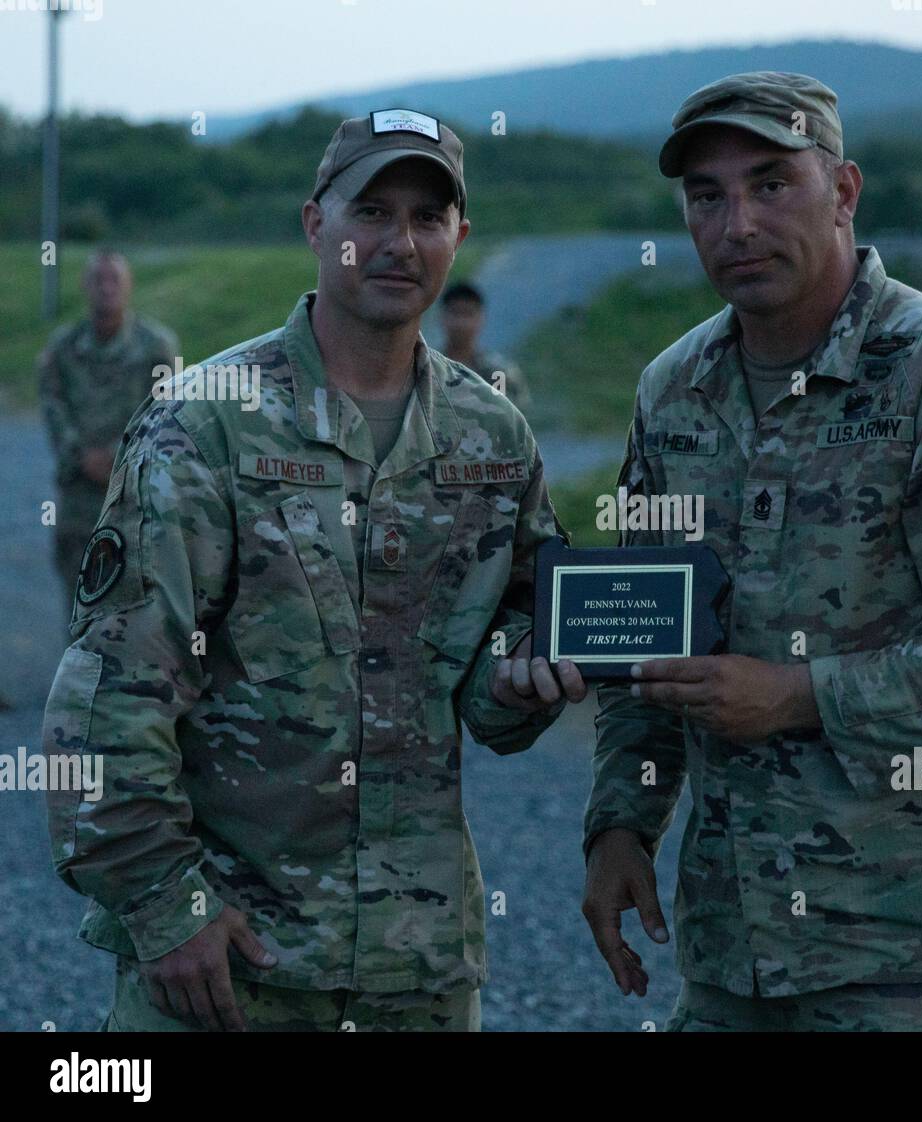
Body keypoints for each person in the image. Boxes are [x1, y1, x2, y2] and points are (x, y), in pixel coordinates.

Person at [41, 109, 585, 1033]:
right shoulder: (204, 424)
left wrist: (527, 681)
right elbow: (106, 702)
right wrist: (166, 913)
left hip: (416, 972)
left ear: (460, 235)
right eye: (370, 212)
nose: (398, 242)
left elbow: (500, 665)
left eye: (426, 216)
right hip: (226, 971)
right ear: (314, 224)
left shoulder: (492, 437)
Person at [579, 72, 922, 1032]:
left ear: (845, 192)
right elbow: (643, 633)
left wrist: (799, 695)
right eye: (706, 196)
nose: (736, 224)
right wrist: (621, 823)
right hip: (733, 954)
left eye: (772, 184)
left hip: (910, 956)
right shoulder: (676, 390)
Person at [38, 251, 178, 609]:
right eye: (98, 279)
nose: (106, 288)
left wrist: (118, 455)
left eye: (114, 279)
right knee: (79, 611)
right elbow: (53, 405)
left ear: (129, 285)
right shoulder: (63, 347)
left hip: (134, 500)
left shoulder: (157, 347)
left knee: (137, 615)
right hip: (79, 501)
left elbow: (165, 413)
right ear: (85, 286)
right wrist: (79, 455)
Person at [439, 281, 532, 412]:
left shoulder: (498, 373)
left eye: (468, 314)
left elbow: (512, 420)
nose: (461, 323)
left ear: (481, 318)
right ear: (442, 317)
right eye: (455, 313)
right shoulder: (427, 368)